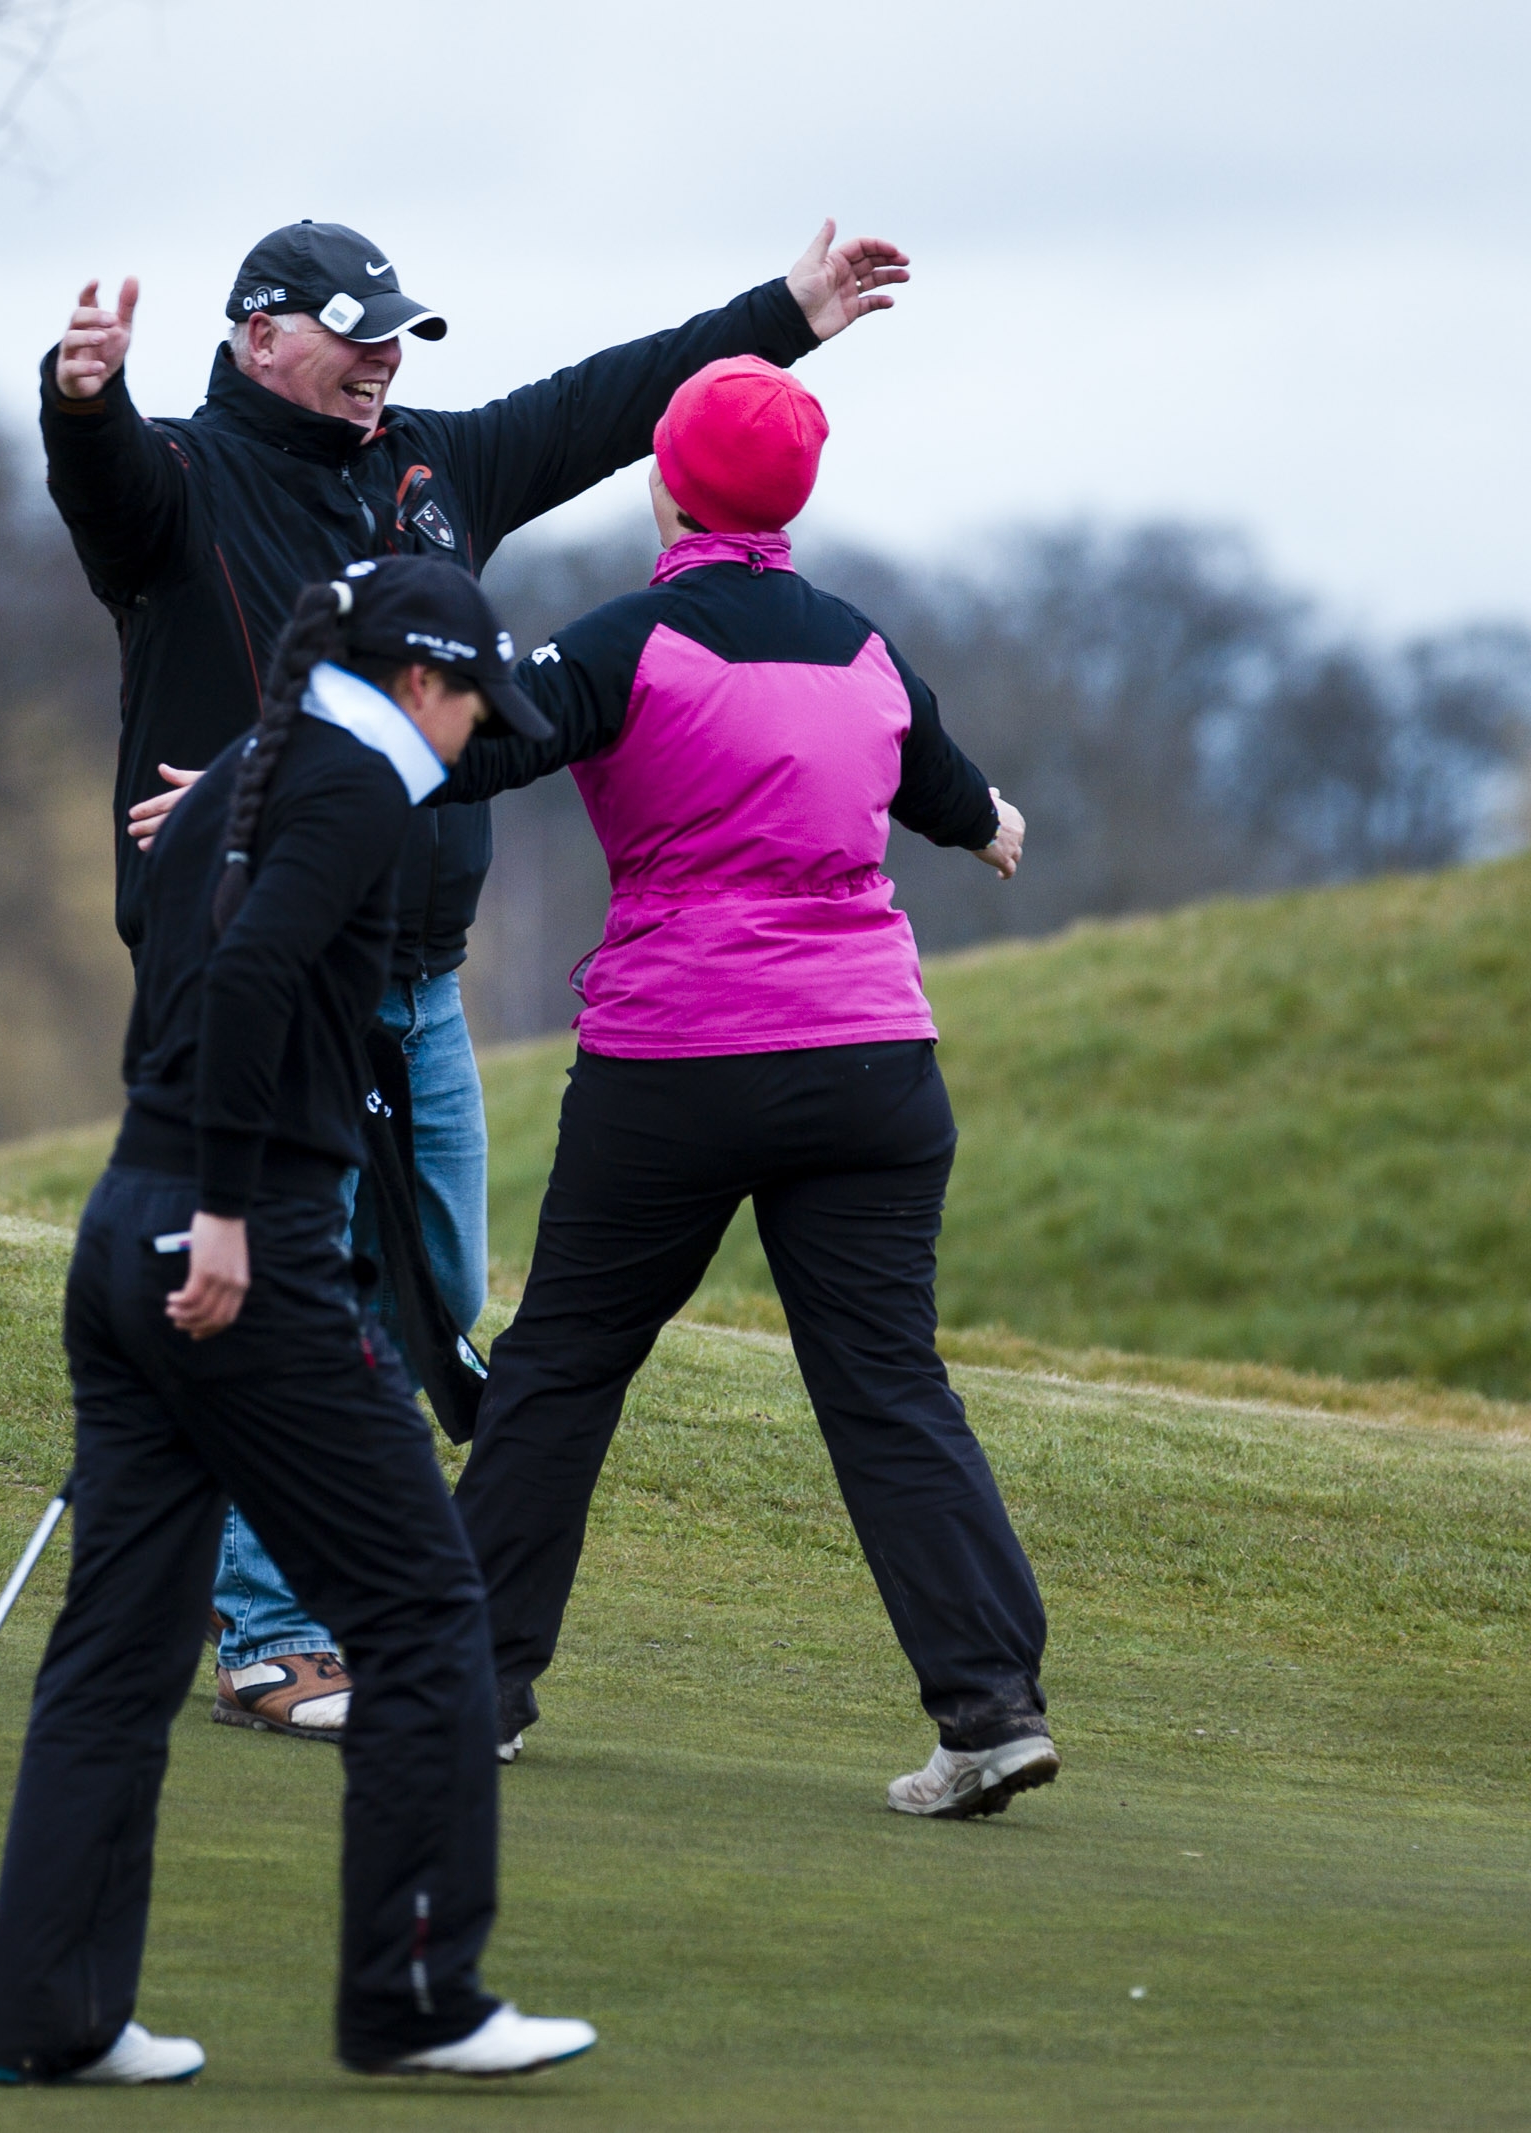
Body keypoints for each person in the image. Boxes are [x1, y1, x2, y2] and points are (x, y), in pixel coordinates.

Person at [53, 214, 915, 1741]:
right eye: (354, 333)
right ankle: (274, 1633)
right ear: (260, 337)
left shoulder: (429, 466)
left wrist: (789, 311)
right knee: (286, 1282)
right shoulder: (182, 476)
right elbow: (106, 492)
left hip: (420, 970)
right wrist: (83, 399)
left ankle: (302, 1581)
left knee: (435, 1292)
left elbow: (611, 398)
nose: (383, 357)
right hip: (271, 961)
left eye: (396, 332)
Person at [0, 558, 598, 2085]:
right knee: (428, 1608)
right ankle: (416, 1998)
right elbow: (251, 980)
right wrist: (233, 1212)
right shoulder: (353, 789)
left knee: (121, 1644)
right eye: (470, 705)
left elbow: (209, 988)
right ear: (417, 681)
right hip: (237, 1252)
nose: (472, 735)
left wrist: (194, 1203)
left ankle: (54, 2017)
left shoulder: (240, 778)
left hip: (126, 1235)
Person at [431, 356, 1058, 1815]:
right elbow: (962, 801)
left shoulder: (627, 641)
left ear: (666, 485)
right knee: (888, 1383)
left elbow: (461, 752)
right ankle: (990, 1707)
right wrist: (992, 825)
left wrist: (271, 778)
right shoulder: (864, 648)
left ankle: (465, 1688)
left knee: (565, 1360)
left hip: (680, 1062)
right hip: (872, 1067)